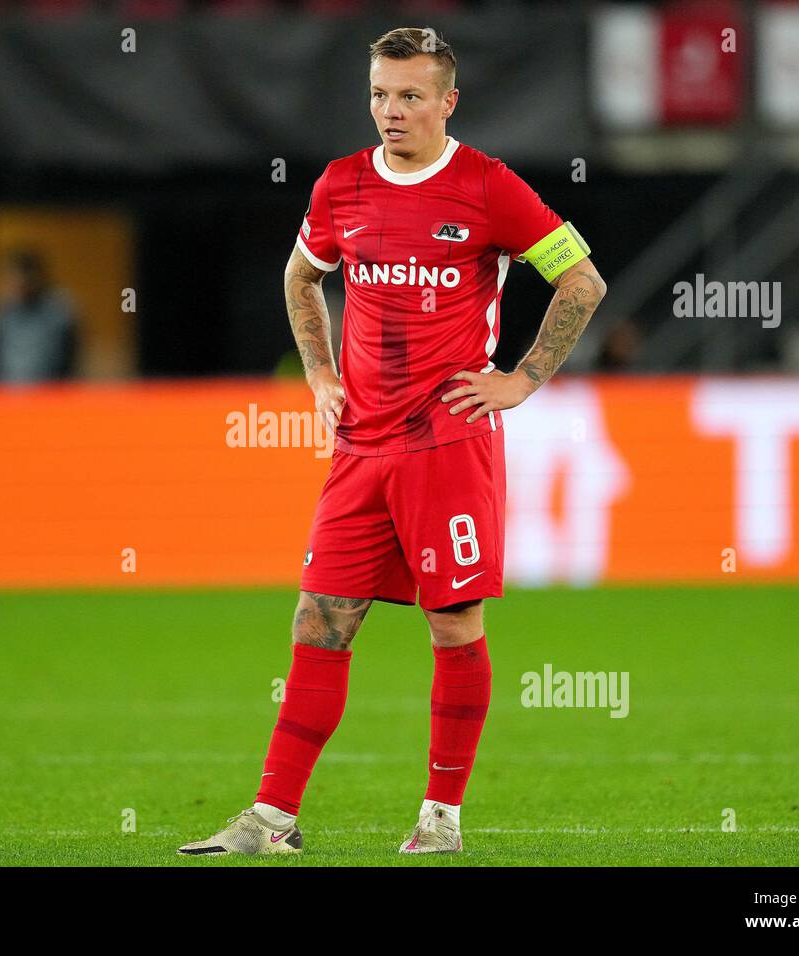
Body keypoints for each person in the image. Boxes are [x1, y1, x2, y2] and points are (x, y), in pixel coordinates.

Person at [178, 27, 607, 856]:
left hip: (447, 444)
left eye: (410, 95)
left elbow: (582, 280)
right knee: (319, 621)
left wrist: (519, 381)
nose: (390, 111)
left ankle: (440, 819)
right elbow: (303, 274)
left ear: (449, 101)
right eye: (380, 93)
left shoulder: (488, 187)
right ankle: (272, 820)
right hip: (361, 446)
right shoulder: (341, 186)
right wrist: (318, 371)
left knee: (453, 627)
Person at [0, 250, 79, 382]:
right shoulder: (1, 311)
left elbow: (70, 354)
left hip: (50, 390)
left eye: (16, 276)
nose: (12, 283)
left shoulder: (59, 308)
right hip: (6, 390)